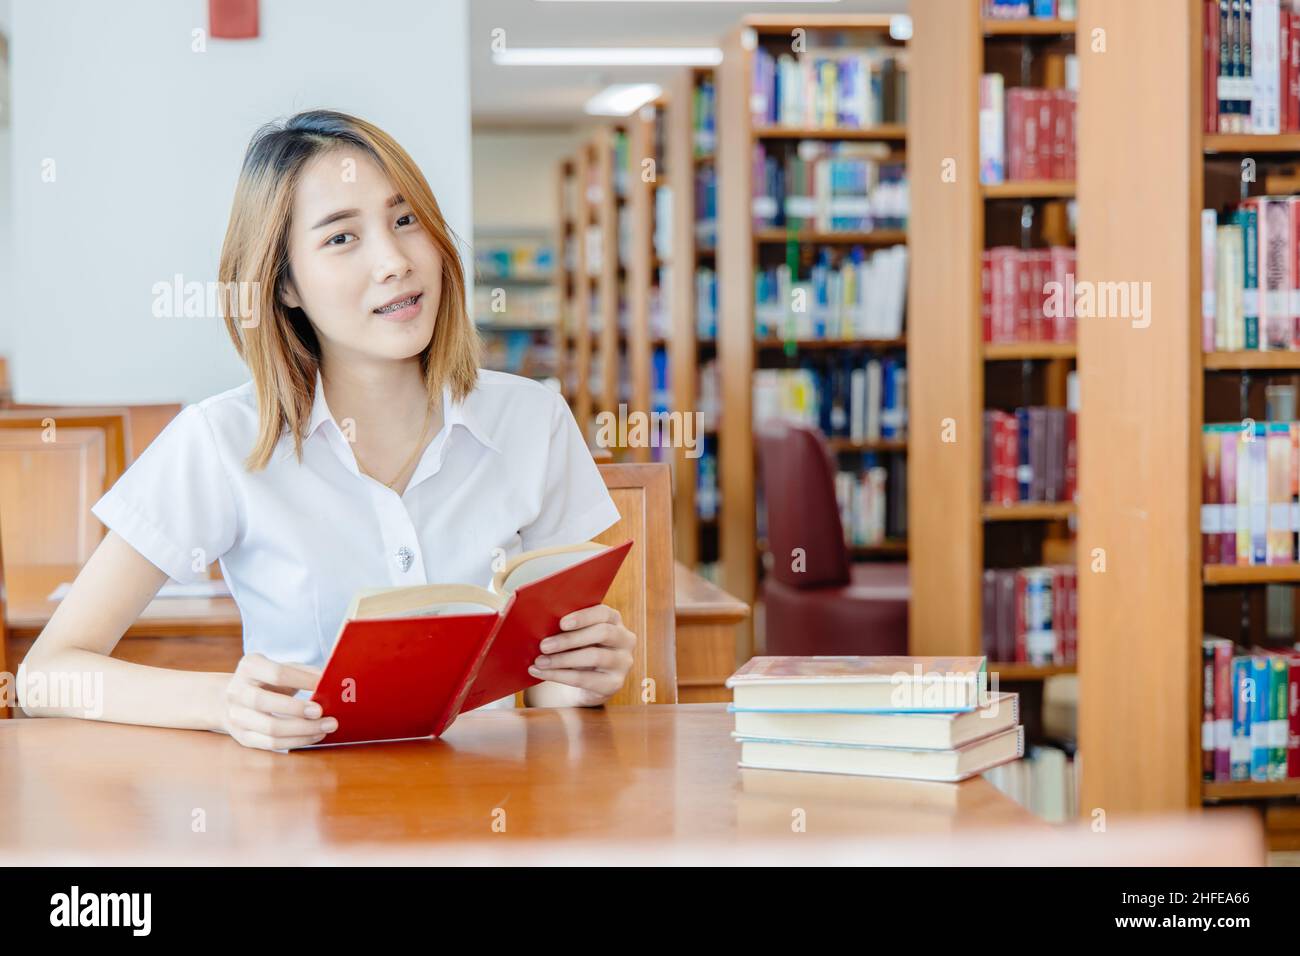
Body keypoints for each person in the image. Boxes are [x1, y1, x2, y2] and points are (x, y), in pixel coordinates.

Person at [18, 110, 636, 750]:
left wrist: (584, 675)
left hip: (493, 820)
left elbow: (549, 689)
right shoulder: (223, 439)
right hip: (305, 824)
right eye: (342, 238)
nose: (394, 261)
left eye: (405, 220)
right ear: (284, 283)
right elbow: (44, 679)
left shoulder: (532, 420)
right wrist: (223, 703)